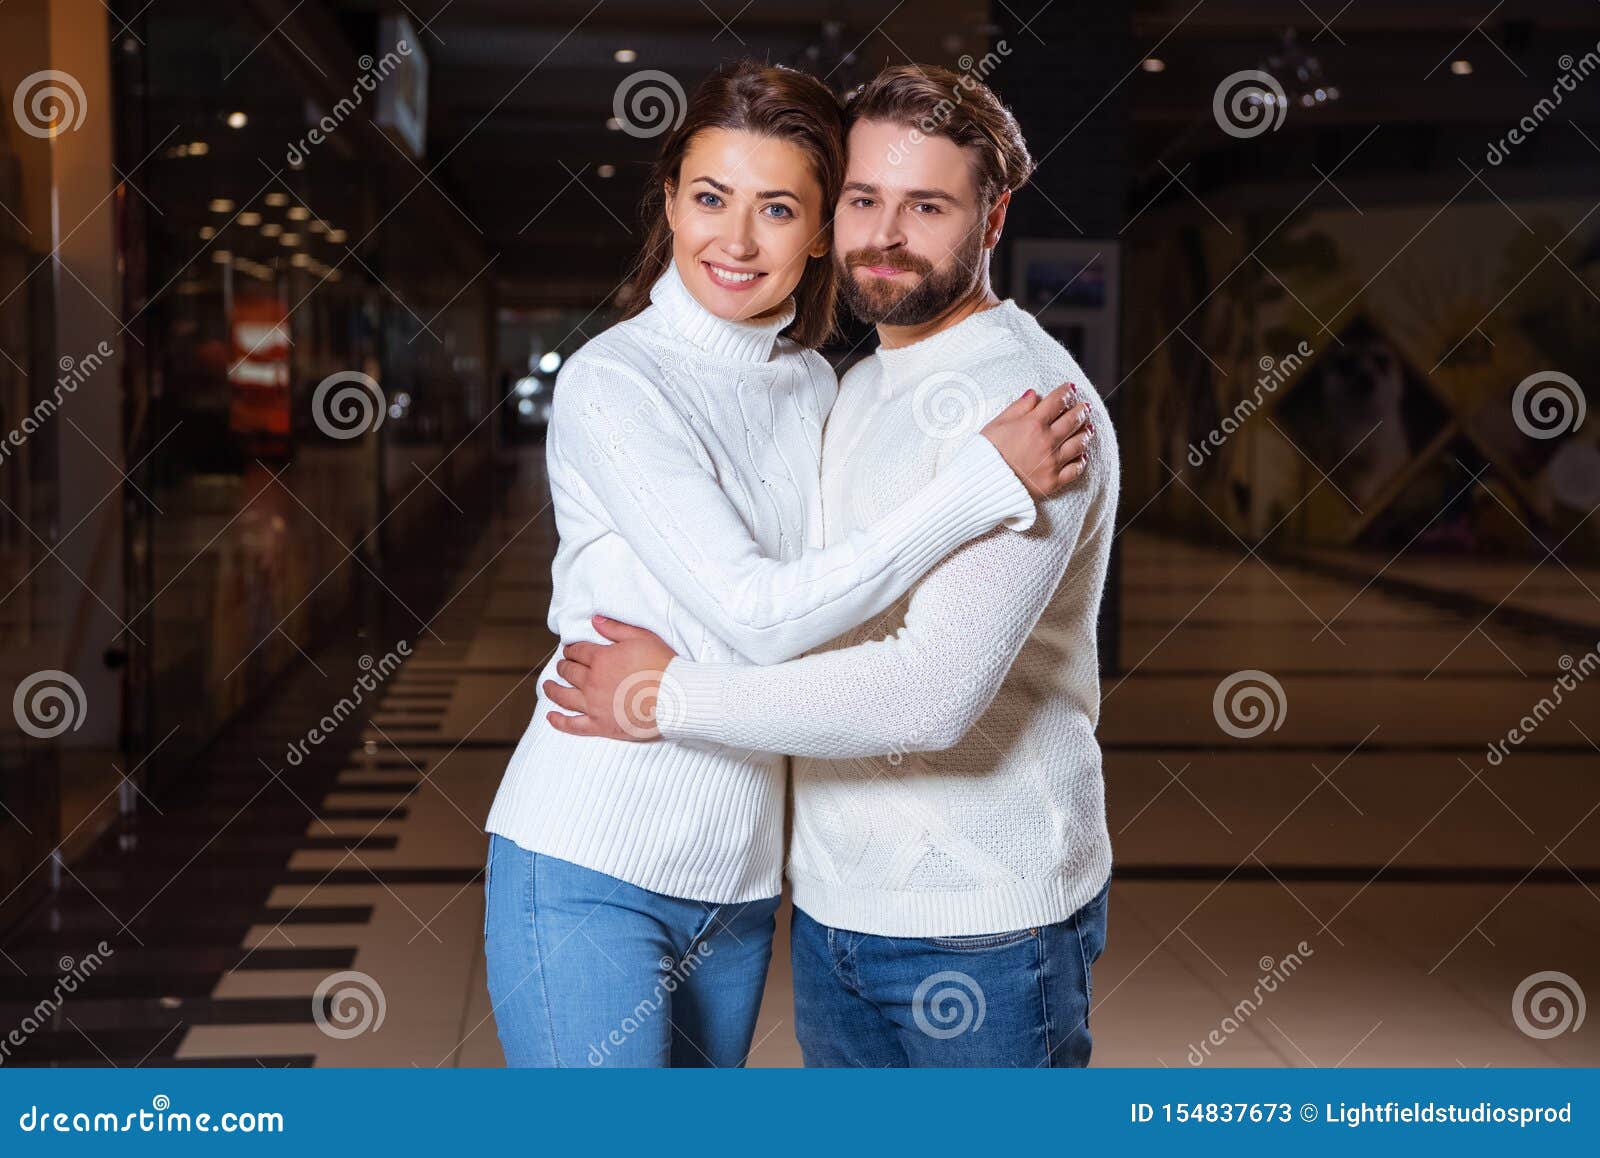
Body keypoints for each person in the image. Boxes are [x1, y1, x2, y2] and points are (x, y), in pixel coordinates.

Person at [483, 60, 1092, 1068]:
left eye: (778, 207)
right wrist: (977, 483)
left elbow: (853, 627)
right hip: (590, 848)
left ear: (817, 233)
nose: (735, 238)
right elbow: (758, 616)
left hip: (741, 876)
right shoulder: (613, 382)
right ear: (669, 201)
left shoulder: (817, 384)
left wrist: (675, 692)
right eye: (711, 197)